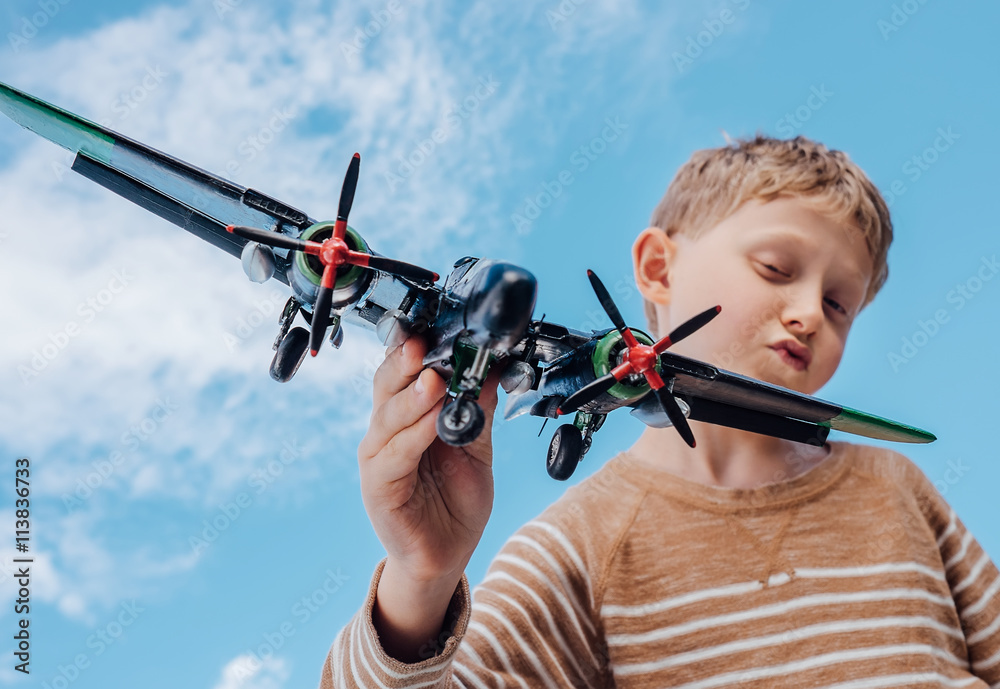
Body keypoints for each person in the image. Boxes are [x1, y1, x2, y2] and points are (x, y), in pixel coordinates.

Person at [318, 135, 1000, 688]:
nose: (807, 313)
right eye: (775, 267)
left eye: (838, 304)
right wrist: (423, 579)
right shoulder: (580, 545)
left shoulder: (893, 483)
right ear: (658, 268)